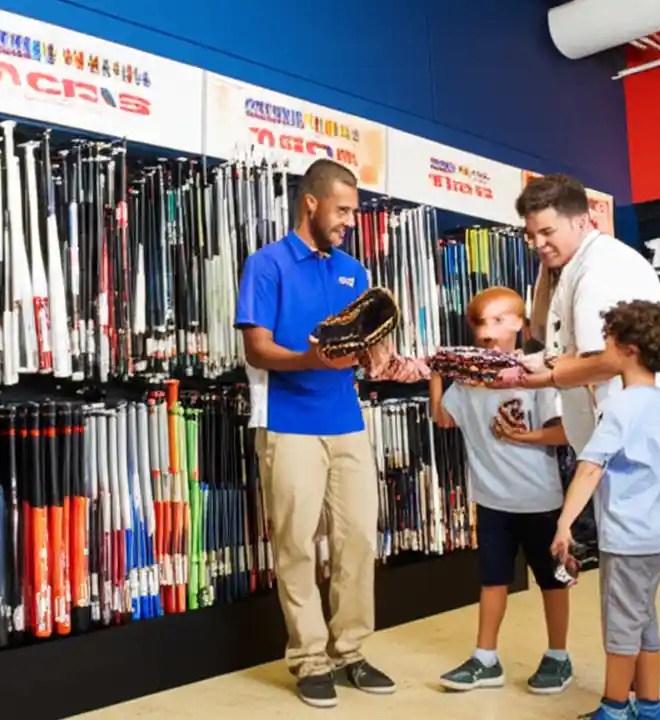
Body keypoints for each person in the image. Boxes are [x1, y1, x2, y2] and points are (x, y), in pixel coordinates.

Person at [235, 158, 415, 708]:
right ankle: (310, 658)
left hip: (347, 421)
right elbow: (257, 348)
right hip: (287, 424)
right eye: (341, 211)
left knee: (359, 537)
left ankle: (351, 652)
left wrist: (382, 358)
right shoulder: (266, 264)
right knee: (295, 544)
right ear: (310, 203)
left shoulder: (354, 272)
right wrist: (313, 358)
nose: (348, 222)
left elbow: (360, 349)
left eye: (353, 213)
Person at [494, 173, 660, 488]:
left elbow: (607, 361)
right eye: (532, 236)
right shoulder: (578, 265)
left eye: (548, 232)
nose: (539, 245)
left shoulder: (601, 269)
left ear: (580, 221)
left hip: (631, 449)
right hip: (618, 446)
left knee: (645, 533)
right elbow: (556, 340)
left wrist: (545, 377)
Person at [550, 300, 660, 720]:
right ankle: (650, 706)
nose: (602, 350)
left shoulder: (620, 408)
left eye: (608, 342)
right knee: (644, 620)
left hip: (628, 538)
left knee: (621, 627)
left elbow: (590, 469)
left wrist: (564, 523)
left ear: (629, 349)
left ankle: (614, 708)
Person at [429, 286, 576, 696]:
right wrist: (438, 371)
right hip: (492, 500)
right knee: (492, 580)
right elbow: (442, 417)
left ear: (518, 324)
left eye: (497, 320)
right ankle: (485, 658)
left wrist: (525, 436)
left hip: (540, 499)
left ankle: (559, 657)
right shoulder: (470, 382)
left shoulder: (539, 376)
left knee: (553, 580)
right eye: (479, 323)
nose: (486, 331)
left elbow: (567, 432)